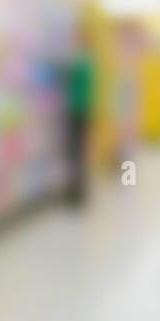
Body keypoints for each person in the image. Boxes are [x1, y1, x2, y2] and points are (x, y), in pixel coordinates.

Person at [63, 39, 95, 205]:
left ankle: (76, 193)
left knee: (74, 152)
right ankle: (79, 192)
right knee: (80, 152)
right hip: (84, 111)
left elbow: (68, 77)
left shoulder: (80, 63)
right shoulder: (88, 63)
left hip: (77, 111)